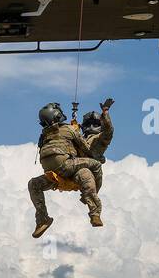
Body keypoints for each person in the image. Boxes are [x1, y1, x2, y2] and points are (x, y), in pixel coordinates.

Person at [28, 101, 106, 237]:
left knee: (33, 184)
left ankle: (42, 220)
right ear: (58, 115)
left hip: (52, 174)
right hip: (67, 166)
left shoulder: (43, 136)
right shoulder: (69, 129)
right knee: (96, 165)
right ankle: (95, 212)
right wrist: (98, 157)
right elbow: (85, 148)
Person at [80, 98, 115, 190]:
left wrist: (105, 112)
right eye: (88, 125)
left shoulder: (101, 138)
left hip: (90, 172)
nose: (91, 127)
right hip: (75, 168)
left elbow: (109, 130)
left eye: (95, 125)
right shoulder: (79, 137)